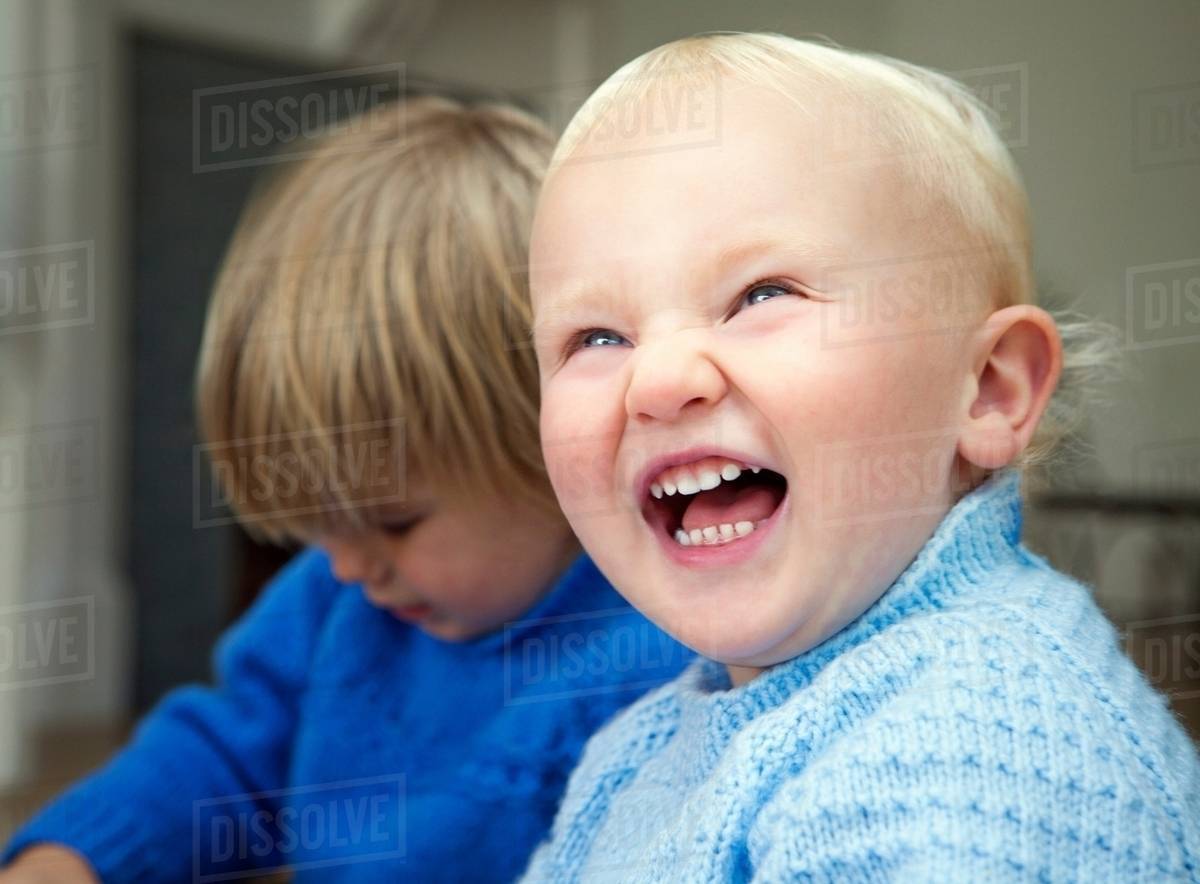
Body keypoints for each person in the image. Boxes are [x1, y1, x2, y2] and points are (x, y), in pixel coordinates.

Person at [522, 33, 1200, 881]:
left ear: (988, 390)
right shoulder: (639, 749)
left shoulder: (964, 763)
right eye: (595, 337)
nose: (657, 381)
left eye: (762, 295)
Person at [0, 96, 691, 883]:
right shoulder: (333, 604)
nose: (348, 565)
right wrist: (67, 861)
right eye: (320, 525)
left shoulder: (665, 648)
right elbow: (221, 757)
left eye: (394, 522)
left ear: (555, 445)